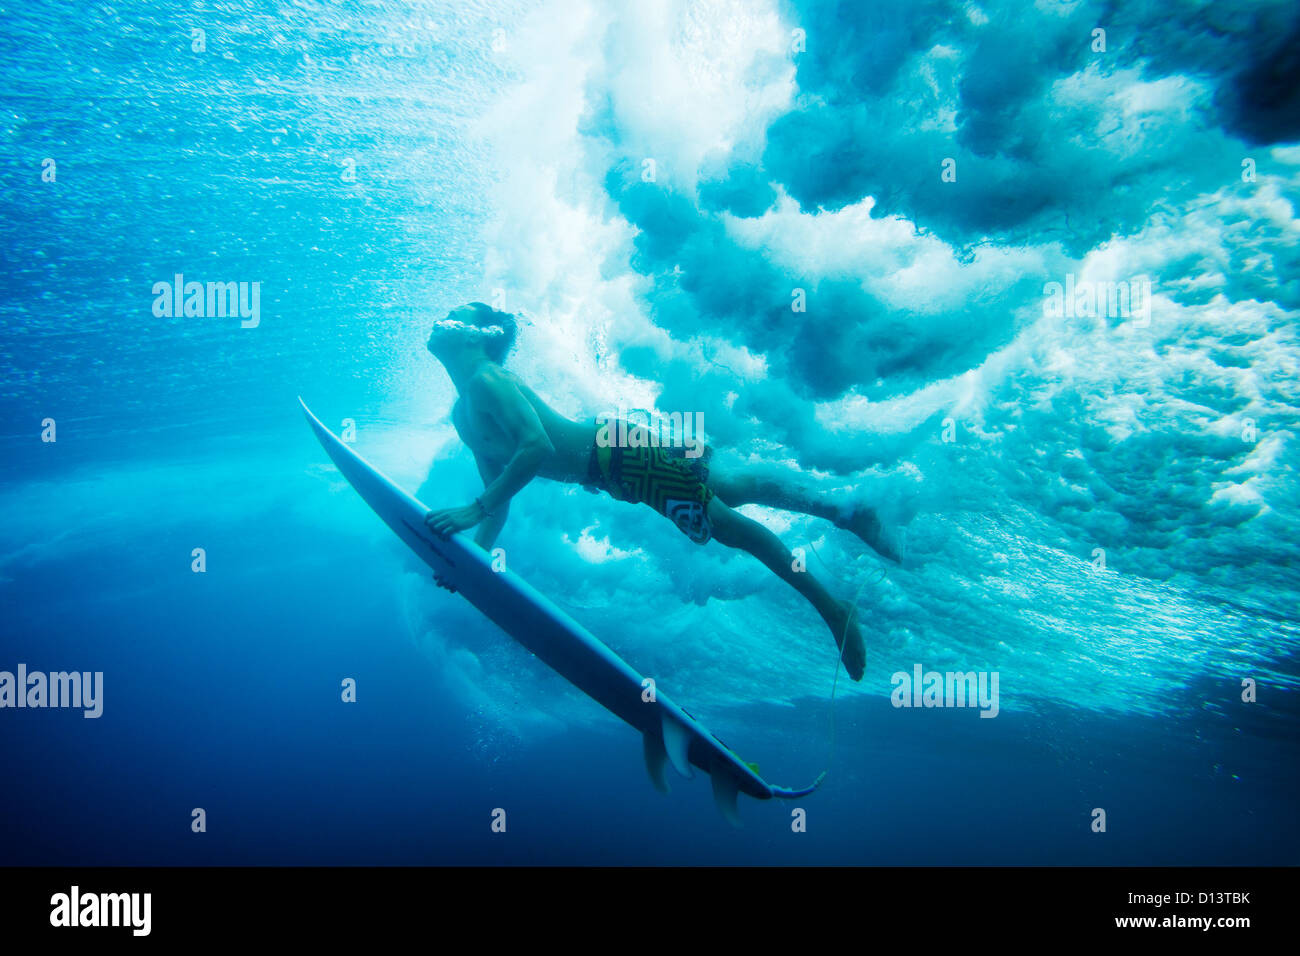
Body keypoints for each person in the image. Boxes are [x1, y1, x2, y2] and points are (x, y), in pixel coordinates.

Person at [423, 302, 899, 681]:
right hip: (614, 460)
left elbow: (535, 447)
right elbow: (498, 501)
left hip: (621, 455)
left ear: (475, 335)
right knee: (731, 489)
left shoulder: (488, 380)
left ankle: (835, 610)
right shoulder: (463, 414)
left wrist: (473, 510)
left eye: (460, 311)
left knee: (728, 526)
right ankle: (846, 511)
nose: (444, 317)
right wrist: (473, 557)